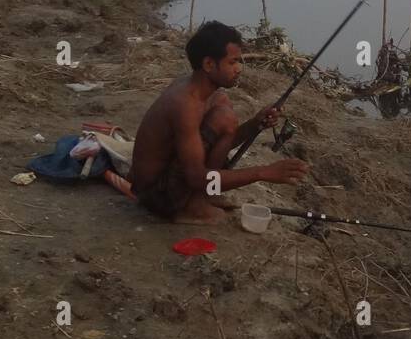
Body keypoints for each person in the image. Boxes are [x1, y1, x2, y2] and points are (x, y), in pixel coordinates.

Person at [130, 20, 308, 223]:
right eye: (232, 62)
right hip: (156, 196)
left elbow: (214, 143)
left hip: (175, 177)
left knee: (225, 117)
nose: (239, 68)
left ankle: (204, 196)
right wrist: (263, 172)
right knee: (224, 118)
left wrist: (255, 124)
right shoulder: (184, 105)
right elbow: (196, 177)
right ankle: (193, 206)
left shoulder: (209, 95)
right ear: (208, 64)